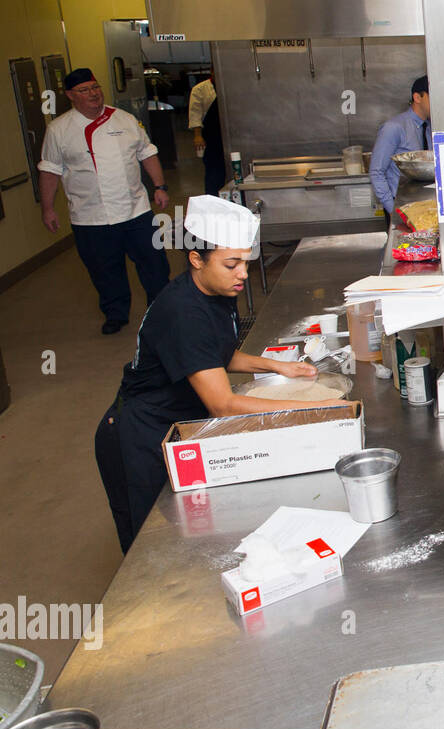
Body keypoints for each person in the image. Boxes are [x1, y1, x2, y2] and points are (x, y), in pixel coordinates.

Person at [94, 196, 350, 553]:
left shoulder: (219, 288)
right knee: (154, 545)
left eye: (245, 262)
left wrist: (277, 366)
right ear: (196, 260)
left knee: (196, 530)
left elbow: (218, 354)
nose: (242, 273)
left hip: (180, 420)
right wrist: (319, 408)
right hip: (141, 434)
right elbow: (223, 404)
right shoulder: (183, 313)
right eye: (232, 264)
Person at [38, 67, 172, 335]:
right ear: (70, 96)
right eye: (84, 90)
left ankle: (161, 310)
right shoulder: (59, 130)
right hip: (90, 216)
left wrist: (159, 186)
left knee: (155, 264)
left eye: (95, 87)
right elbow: (50, 170)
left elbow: (147, 153)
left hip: (136, 210)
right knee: (104, 271)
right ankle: (115, 313)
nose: (93, 94)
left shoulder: (124, 119)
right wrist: (48, 208)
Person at [370, 75, 431, 217]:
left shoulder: (428, 127)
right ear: (417, 97)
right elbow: (376, 172)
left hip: (422, 205)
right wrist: (393, 210)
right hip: (400, 206)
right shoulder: (394, 127)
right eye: (432, 96)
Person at [188, 73, 226, 195]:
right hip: (212, 135)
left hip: (230, 133)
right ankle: (212, 199)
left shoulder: (229, 85)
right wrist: (197, 136)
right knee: (214, 172)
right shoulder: (200, 89)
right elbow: (195, 114)